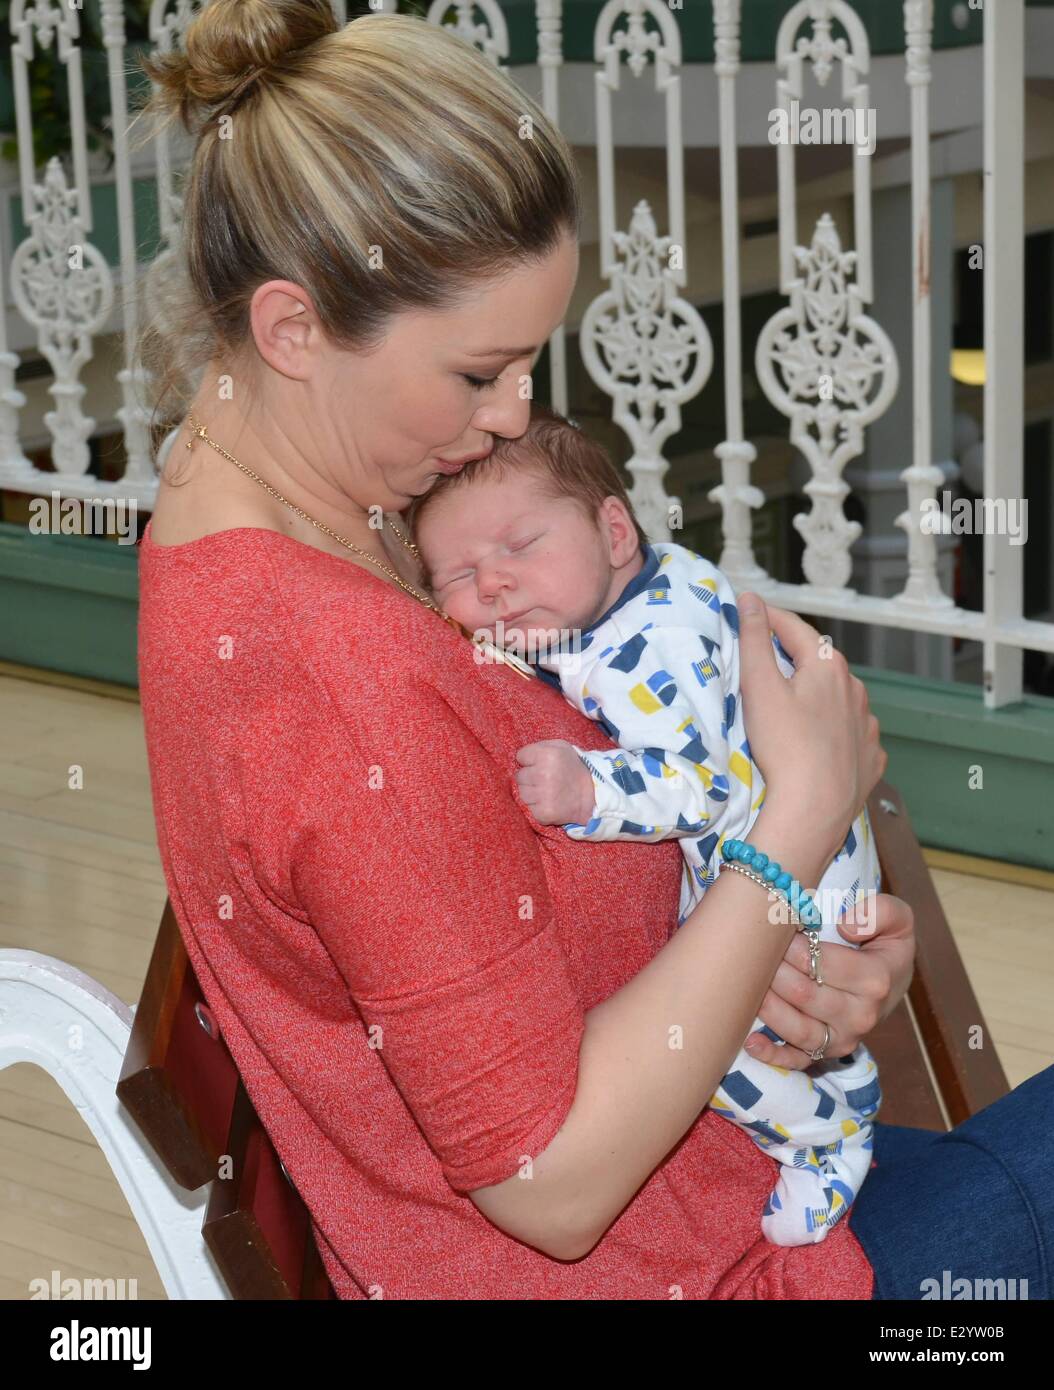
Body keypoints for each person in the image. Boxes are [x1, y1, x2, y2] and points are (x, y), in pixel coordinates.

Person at [131, 1, 1050, 1299]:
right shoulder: (345, 672)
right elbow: (549, 1179)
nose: (516, 414)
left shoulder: (258, 499)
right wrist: (793, 825)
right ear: (289, 330)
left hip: (725, 1163)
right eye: (475, 373)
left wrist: (812, 936)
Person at [408, 404, 884, 1248]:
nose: (492, 585)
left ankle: (827, 1137)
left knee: (714, 1050)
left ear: (615, 530)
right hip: (814, 861)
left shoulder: (642, 649)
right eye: (456, 576)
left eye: (520, 547)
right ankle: (840, 1093)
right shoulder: (651, 590)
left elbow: (695, 787)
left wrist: (589, 785)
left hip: (800, 881)